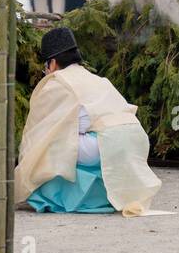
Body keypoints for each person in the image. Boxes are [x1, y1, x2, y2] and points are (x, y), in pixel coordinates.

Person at [15, 27, 161, 215]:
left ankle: (63, 196)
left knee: (48, 144)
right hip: (135, 138)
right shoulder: (95, 78)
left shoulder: (58, 82)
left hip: (105, 139)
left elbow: (45, 132)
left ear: (51, 63)